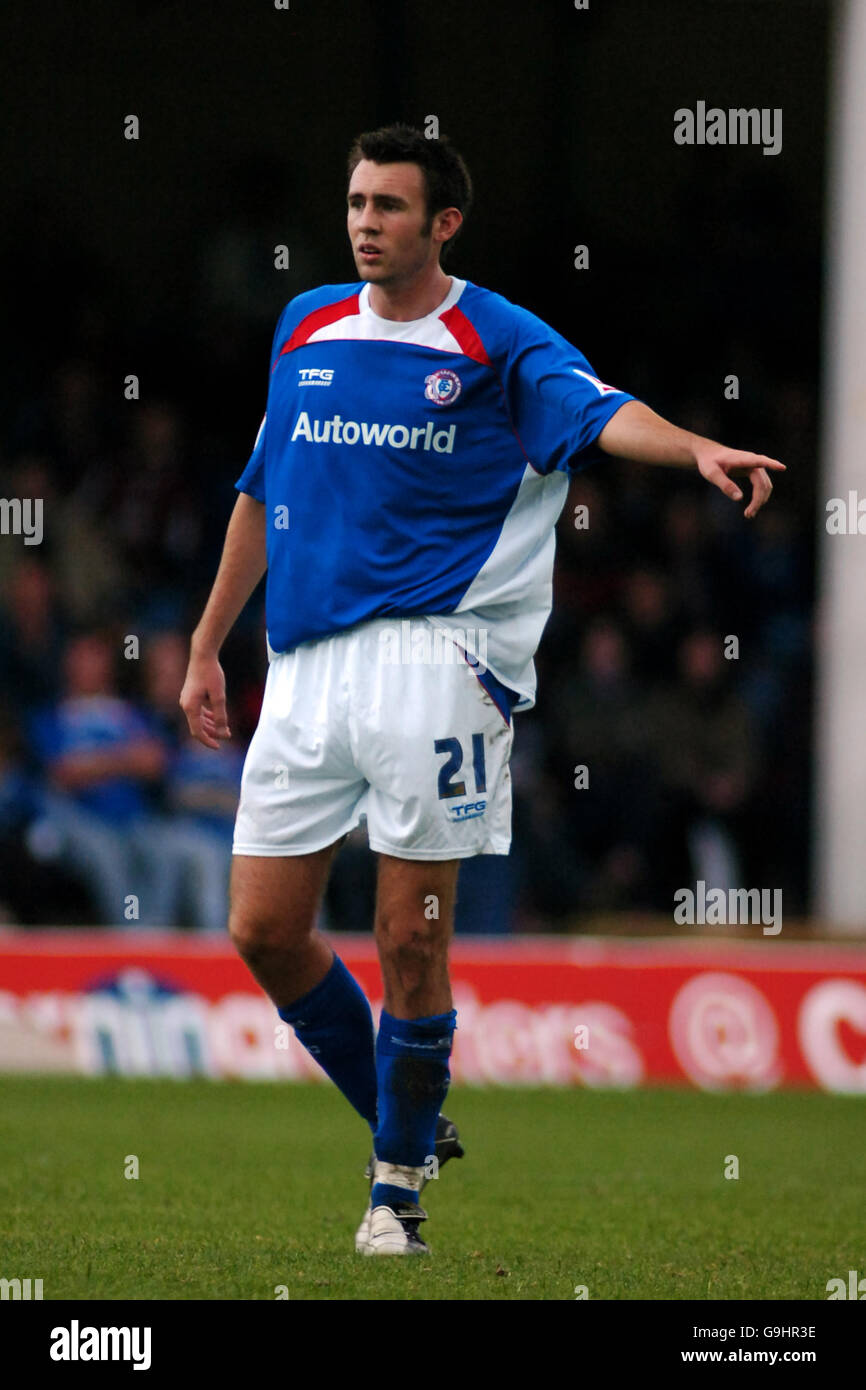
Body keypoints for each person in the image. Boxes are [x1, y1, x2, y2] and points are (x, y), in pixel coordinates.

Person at [180, 123, 784, 1256]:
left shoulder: (497, 338)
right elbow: (263, 490)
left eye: (389, 206)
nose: (365, 222)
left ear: (441, 223)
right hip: (303, 666)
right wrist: (209, 641)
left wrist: (692, 446)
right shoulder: (303, 323)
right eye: (356, 201)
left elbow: (602, 409)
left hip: (433, 662)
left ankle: (392, 1194)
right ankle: (408, 1116)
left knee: (408, 938)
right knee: (263, 929)